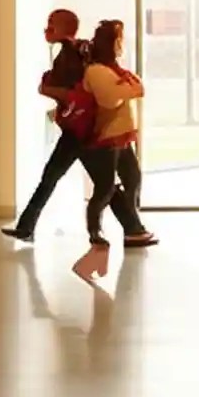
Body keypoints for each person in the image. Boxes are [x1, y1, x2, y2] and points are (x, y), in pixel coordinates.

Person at [2, 10, 155, 247]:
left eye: (51, 25)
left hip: (81, 130)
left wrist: (46, 89)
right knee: (92, 182)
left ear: (65, 29)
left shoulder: (70, 55)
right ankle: (131, 229)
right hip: (84, 127)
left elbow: (77, 91)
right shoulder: (82, 51)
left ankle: (128, 229)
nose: (46, 29)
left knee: (85, 182)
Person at [82, 20, 154, 247]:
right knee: (104, 189)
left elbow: (137, 88)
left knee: (132, 180)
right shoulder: (97, 71)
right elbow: (111, 99)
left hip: (121, 136)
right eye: (120, 38)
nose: (123, 43)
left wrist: (126, 88)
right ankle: (95, 231)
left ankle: (132, 229)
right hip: (104, 137)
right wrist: (126, 89)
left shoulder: (115, 70)